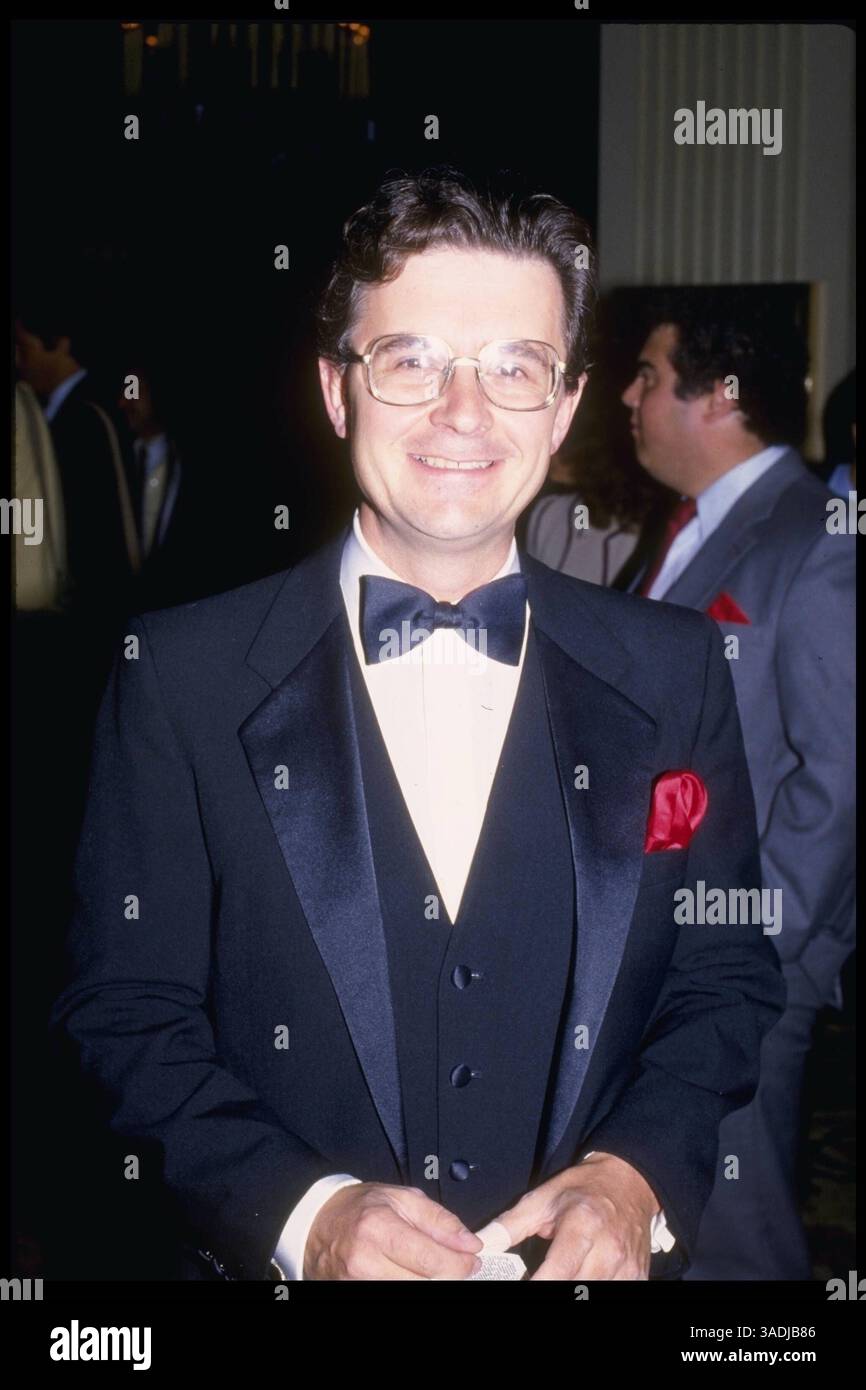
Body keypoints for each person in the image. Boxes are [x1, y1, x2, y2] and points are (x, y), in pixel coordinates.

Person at [50, 167, 783, 1282]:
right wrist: (306, 1212)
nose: (463, 413)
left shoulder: (674, 670)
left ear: (566, 403)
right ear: (338, 392)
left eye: (513, 367)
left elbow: (721, 972)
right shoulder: (179, 674)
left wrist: (633, 1176)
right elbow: (122, 1009)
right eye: (410, 362)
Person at [619, 288, 855, 1278]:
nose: (624, 396)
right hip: (660, 954)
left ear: (714, 395)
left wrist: (753, 943)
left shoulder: (815, 540)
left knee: (736, 1237)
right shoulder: (692, 528)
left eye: (643, 375)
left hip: (737, 965)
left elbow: (840, 777)